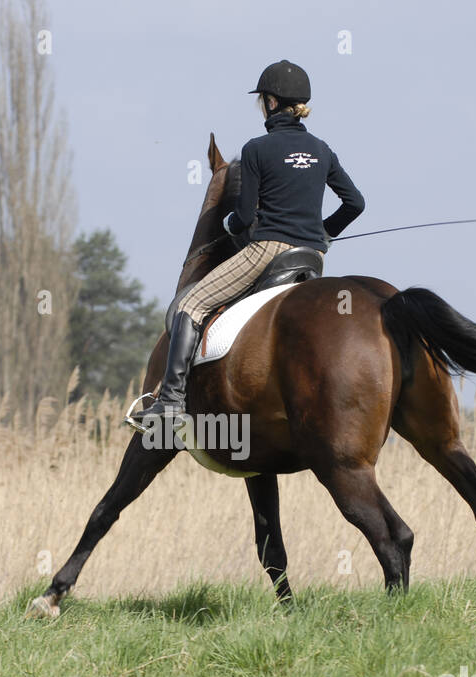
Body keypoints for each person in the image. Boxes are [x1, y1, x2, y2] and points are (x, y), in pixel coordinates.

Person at [132, 59, 365, 425]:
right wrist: (325, 233)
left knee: (189, 306)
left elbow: (242, 217)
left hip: (267, 252)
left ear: (271, 102)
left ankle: (171, 402)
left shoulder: (257, 149)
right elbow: (355, 203)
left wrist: (228, 222)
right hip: (312, 257)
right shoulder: (322, 150)